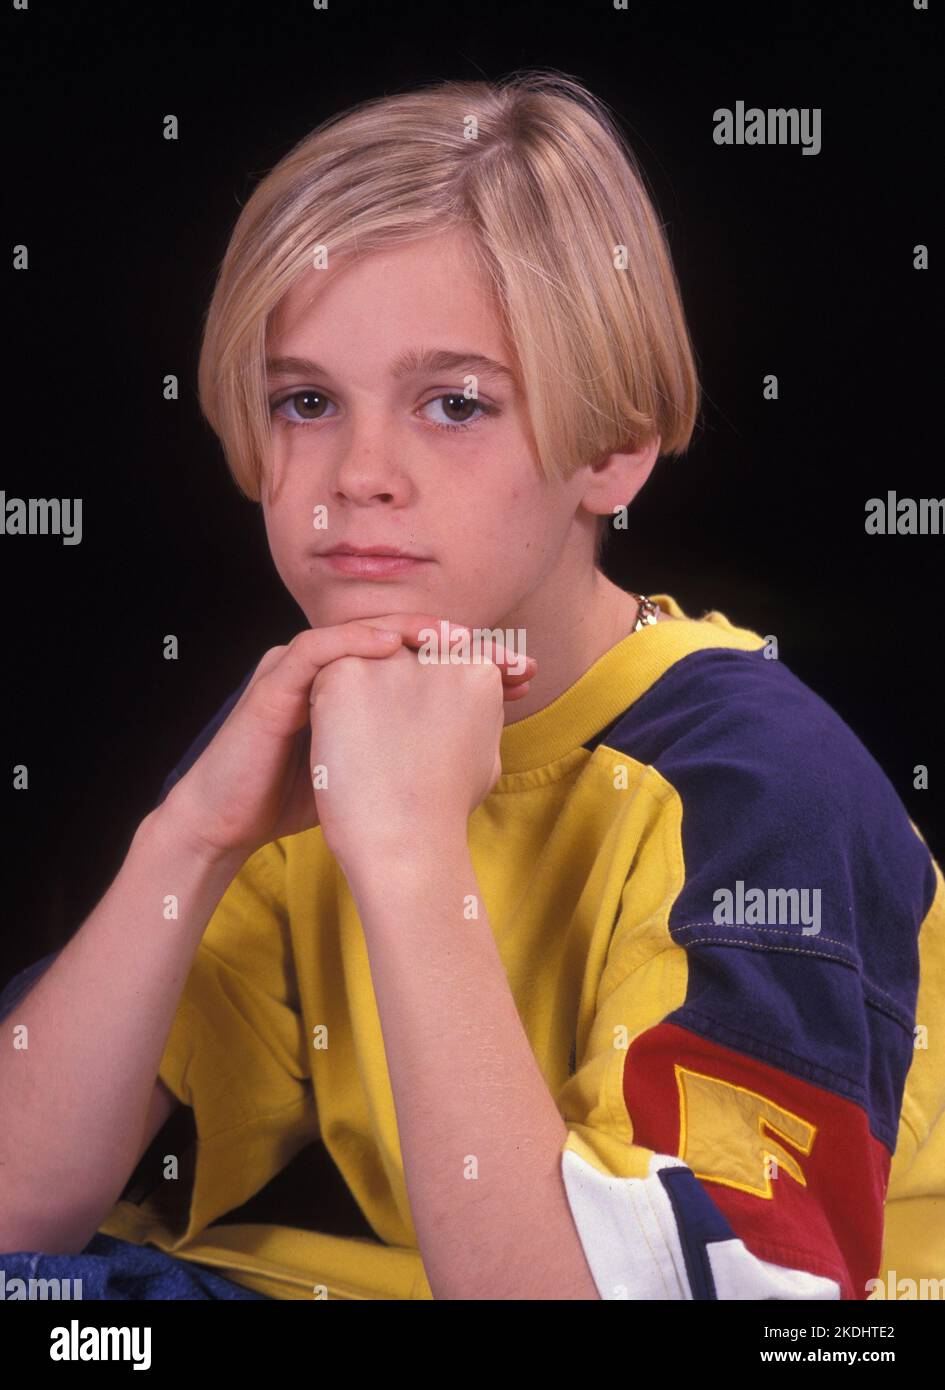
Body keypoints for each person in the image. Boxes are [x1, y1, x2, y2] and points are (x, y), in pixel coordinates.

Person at [1, 70, 942, 1301]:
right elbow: (22, 1200)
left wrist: (406, 851)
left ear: (611, 447)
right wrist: (191, 837)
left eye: (454, 403)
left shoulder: (763, 791)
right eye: (305, 401)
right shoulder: (321, 718)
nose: (359, 473)